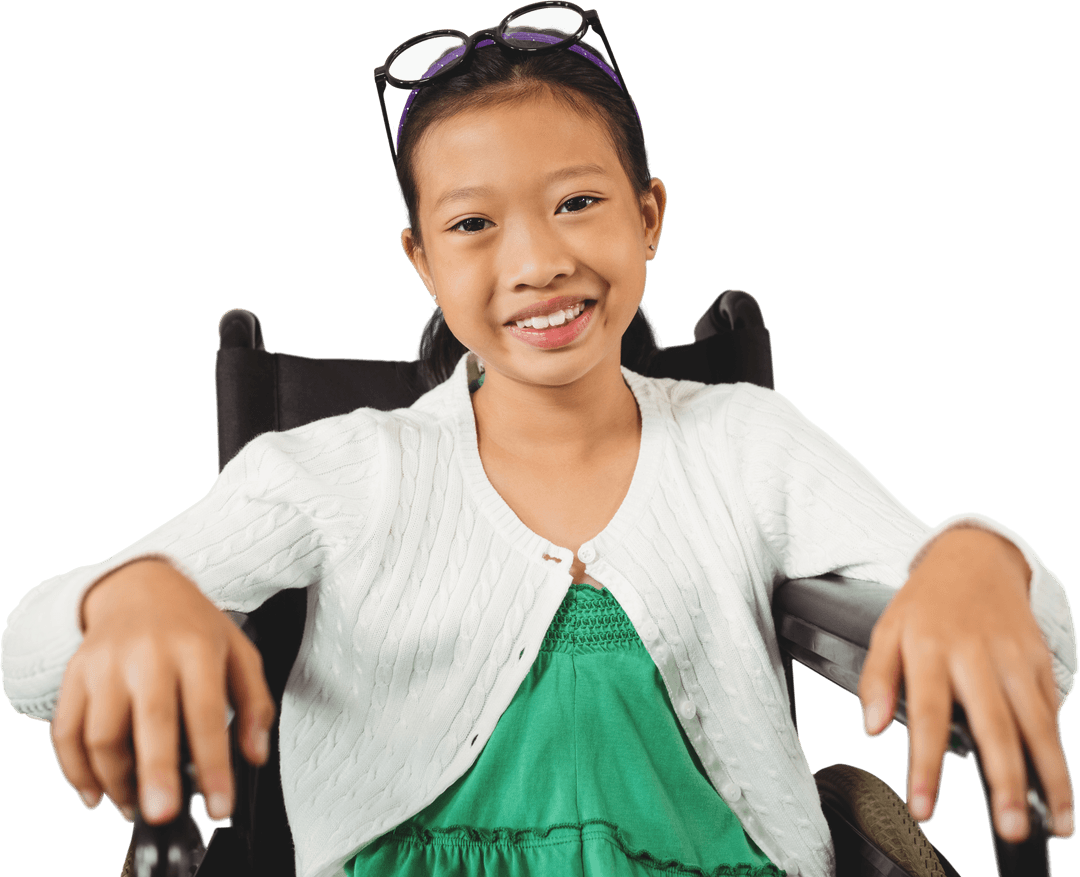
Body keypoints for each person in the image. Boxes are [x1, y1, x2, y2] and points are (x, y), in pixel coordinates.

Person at [2, 4, 1076, 877]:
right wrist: (129, 596)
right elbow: (31, 659)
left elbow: (1037, 639)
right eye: (474, 224)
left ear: (648, 217)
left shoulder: (744, 441)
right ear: (422, 261)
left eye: (578, 203)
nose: (536, 260)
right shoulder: (338, 471)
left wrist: (978, 561)